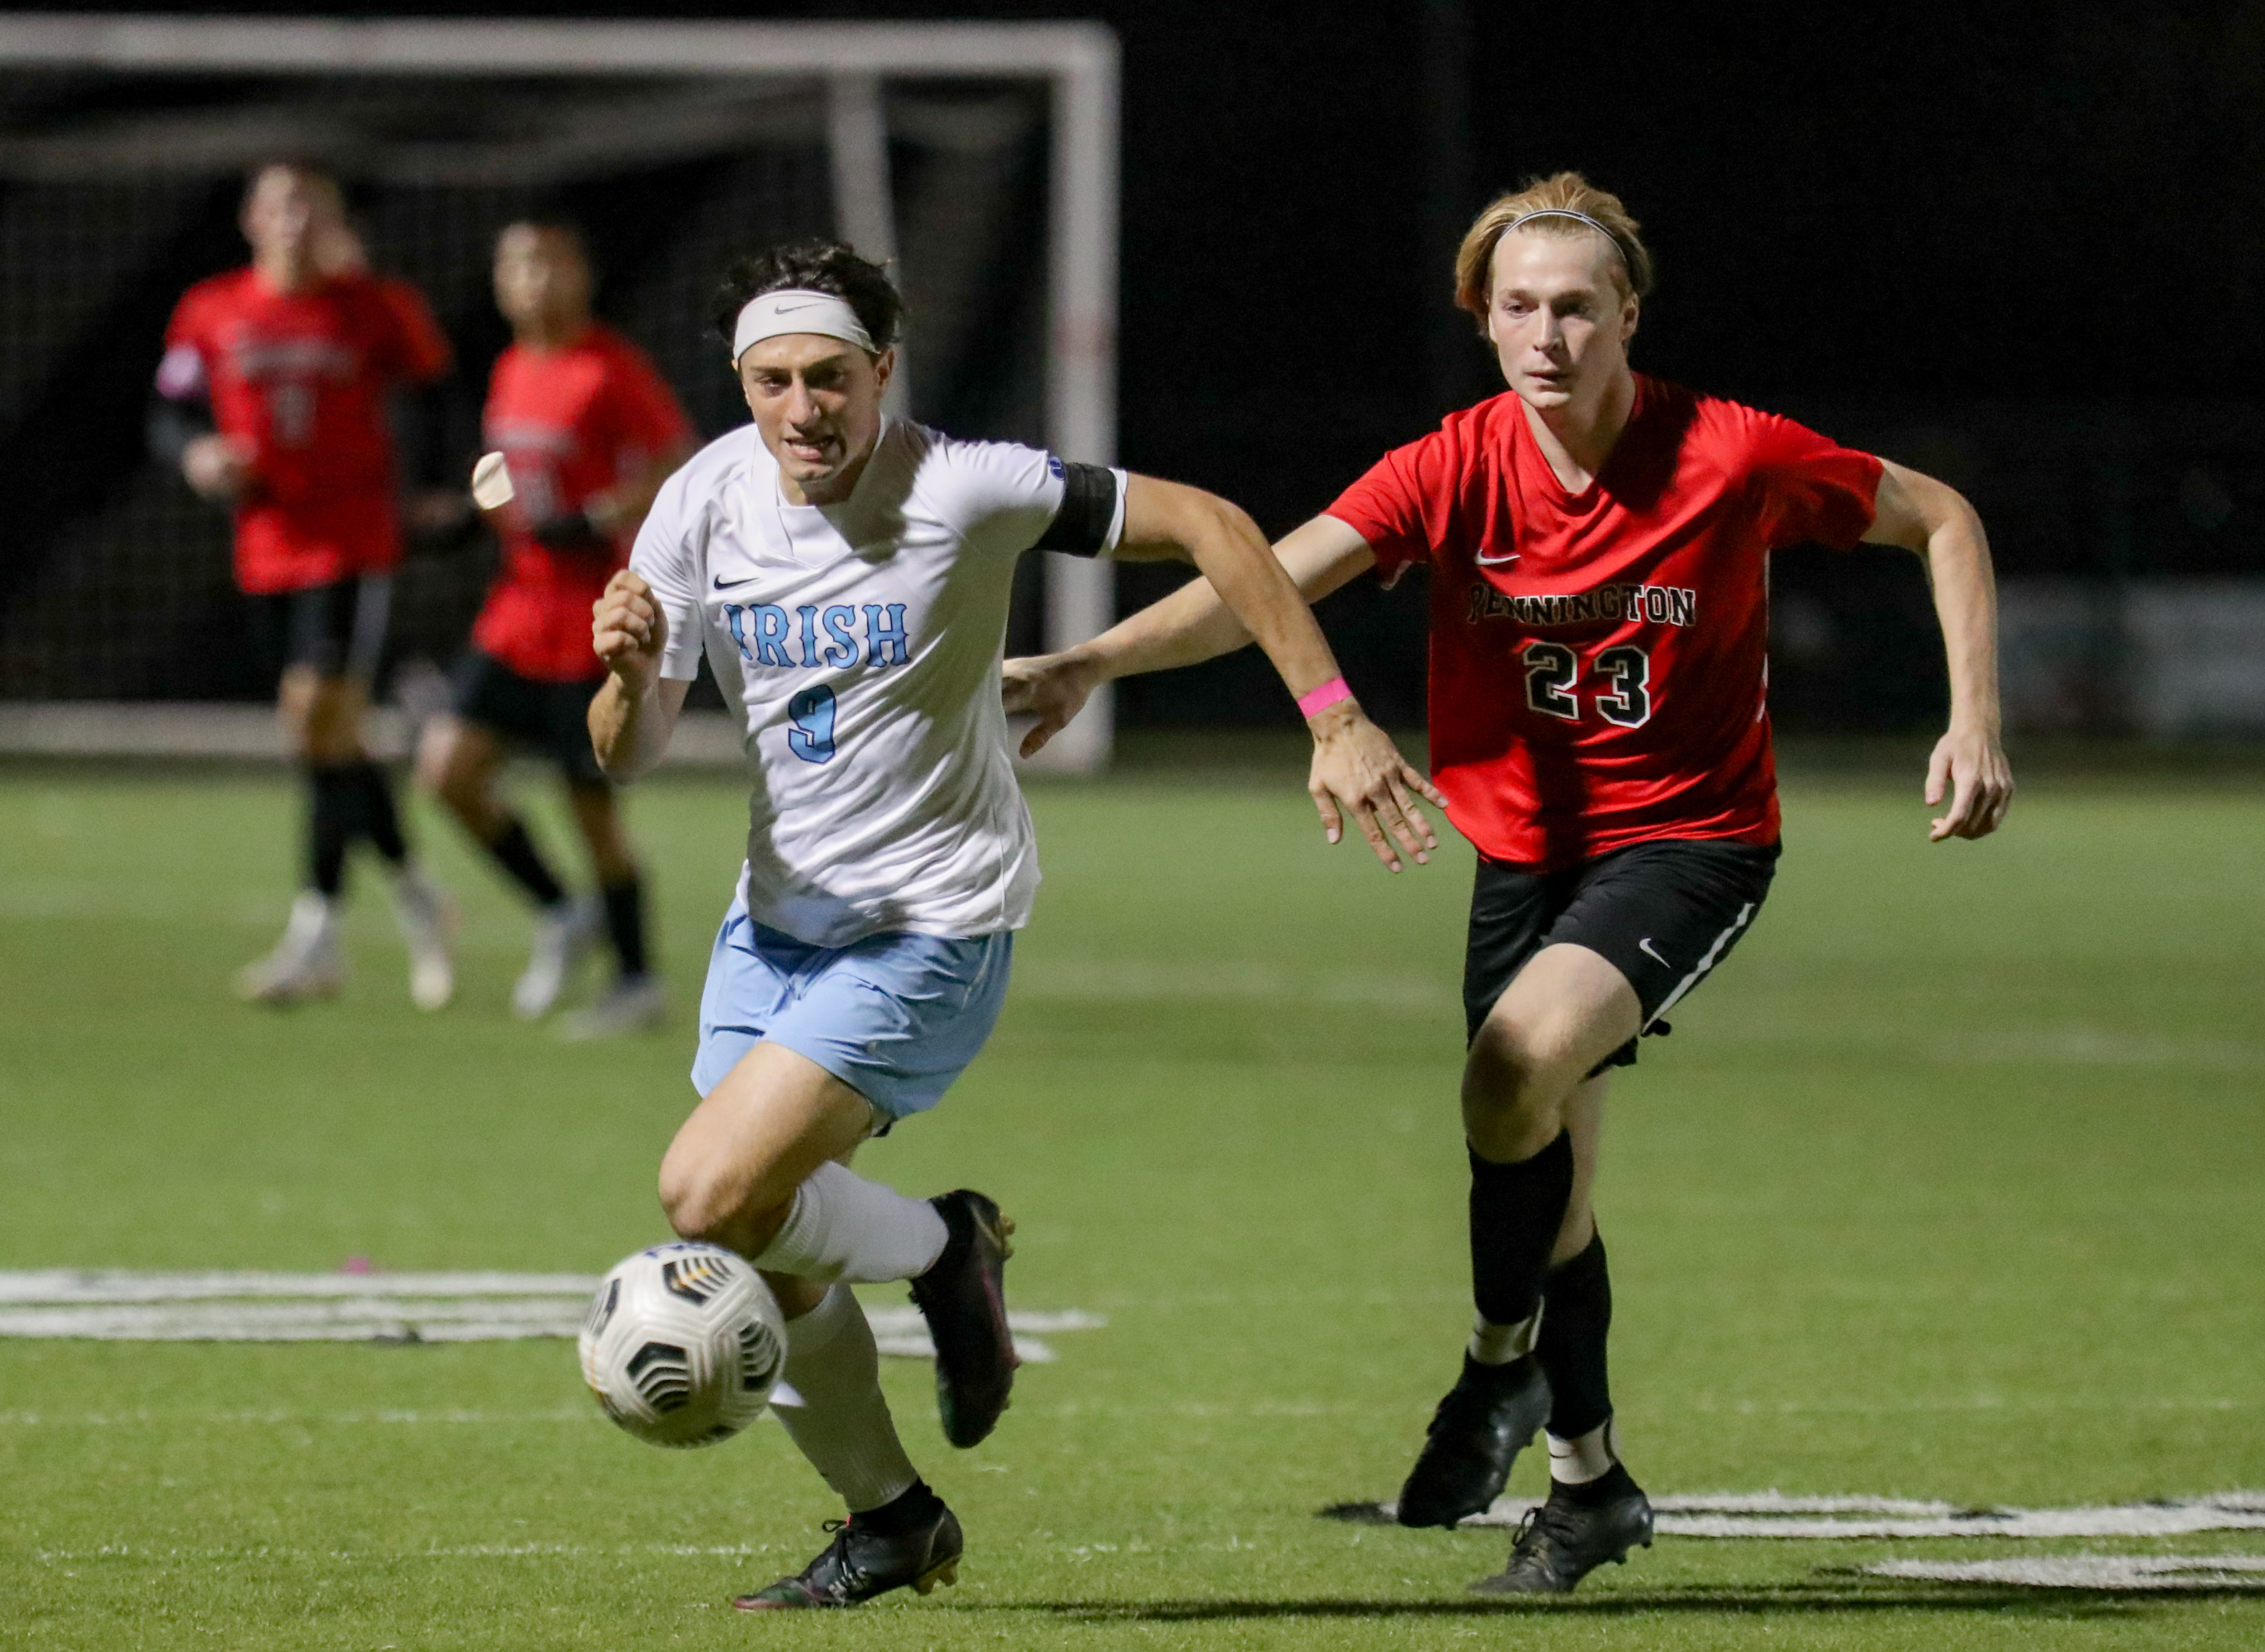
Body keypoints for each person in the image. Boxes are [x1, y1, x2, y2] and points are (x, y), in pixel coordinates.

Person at [1000, 172, 2014, 1596]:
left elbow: (1944, 519)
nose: (1547, 335)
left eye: (1576, 308)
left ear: (1627, 318)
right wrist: (1087, 662)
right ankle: (1569, 1461)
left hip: (1690, 839)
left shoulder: (1726, 454)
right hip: (1520, 861)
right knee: (1552, 1183)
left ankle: (1506, 1384)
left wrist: (1970, 715)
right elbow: (1264, 583)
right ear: (1483, 320)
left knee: (1508, 1064)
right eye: (1518, 307)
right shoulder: (1449, 467)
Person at [588, 239, 1430, 1610]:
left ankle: (933, 1250)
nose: (803, 410)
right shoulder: (703, 499)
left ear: (882, 373)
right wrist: (623, 672)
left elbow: (1216, 522)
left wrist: (1332, 715)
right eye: (773, 381)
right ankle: (893, 1512)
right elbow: (623, 753)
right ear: (742, 384)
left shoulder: (967, 481)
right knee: (755, 1226)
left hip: (932, 920)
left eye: (830, 377)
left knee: (706, 1194)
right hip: (777, 922)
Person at [153, 160, 458, 1009]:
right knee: (328, 742)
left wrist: (432, 485)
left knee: (314, 715)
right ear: (251, 219)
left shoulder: (374, 305)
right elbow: (170, 410)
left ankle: (317, 934)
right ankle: (415, 896)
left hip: (352, 543)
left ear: (331, 220)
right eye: (279, 204)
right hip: (265, 545)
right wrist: (198, 453)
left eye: (311, 205)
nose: (294, 219)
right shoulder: (211, 308)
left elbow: (434, 390)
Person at [415, 220, 695, 1036]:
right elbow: (513, 474)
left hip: (592, 620)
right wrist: (473, 511)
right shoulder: (511, 367)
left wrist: (601, 513)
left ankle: (639, 982)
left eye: (547, 264)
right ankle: (561, 911)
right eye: (515, 266)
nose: (531, 280)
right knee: (446, 769)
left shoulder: (608, 367)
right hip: (517, 612)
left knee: (592, 814)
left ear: (580, 276)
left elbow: (680, 460)